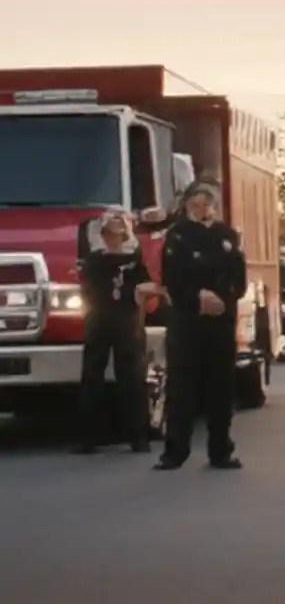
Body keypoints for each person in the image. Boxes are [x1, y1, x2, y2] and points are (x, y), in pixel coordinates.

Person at [153, 181, 248, 472]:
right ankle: (174, 452)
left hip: (220, 321)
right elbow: (171, 277)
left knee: (221, 387)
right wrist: (198, 296)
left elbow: (239, 278)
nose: (201, 208)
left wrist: (223, 298)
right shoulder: (178, 236)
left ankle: (221, 451)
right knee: (182, 387)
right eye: (195, 203)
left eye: (206, 203)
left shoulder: (227, 235)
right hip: (187, 321)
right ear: (187, 205)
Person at [72, 208, 164, 455]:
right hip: (99, 319)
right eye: (112, 223)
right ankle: (88, 438)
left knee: (132, 378)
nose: (117, 228)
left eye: (121, 222)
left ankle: (138, 437)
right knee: (92, 377)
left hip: (128, 321)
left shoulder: (135, 256)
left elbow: (147, 283)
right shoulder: (95, 258)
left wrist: (148, 291)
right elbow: (87, 285)